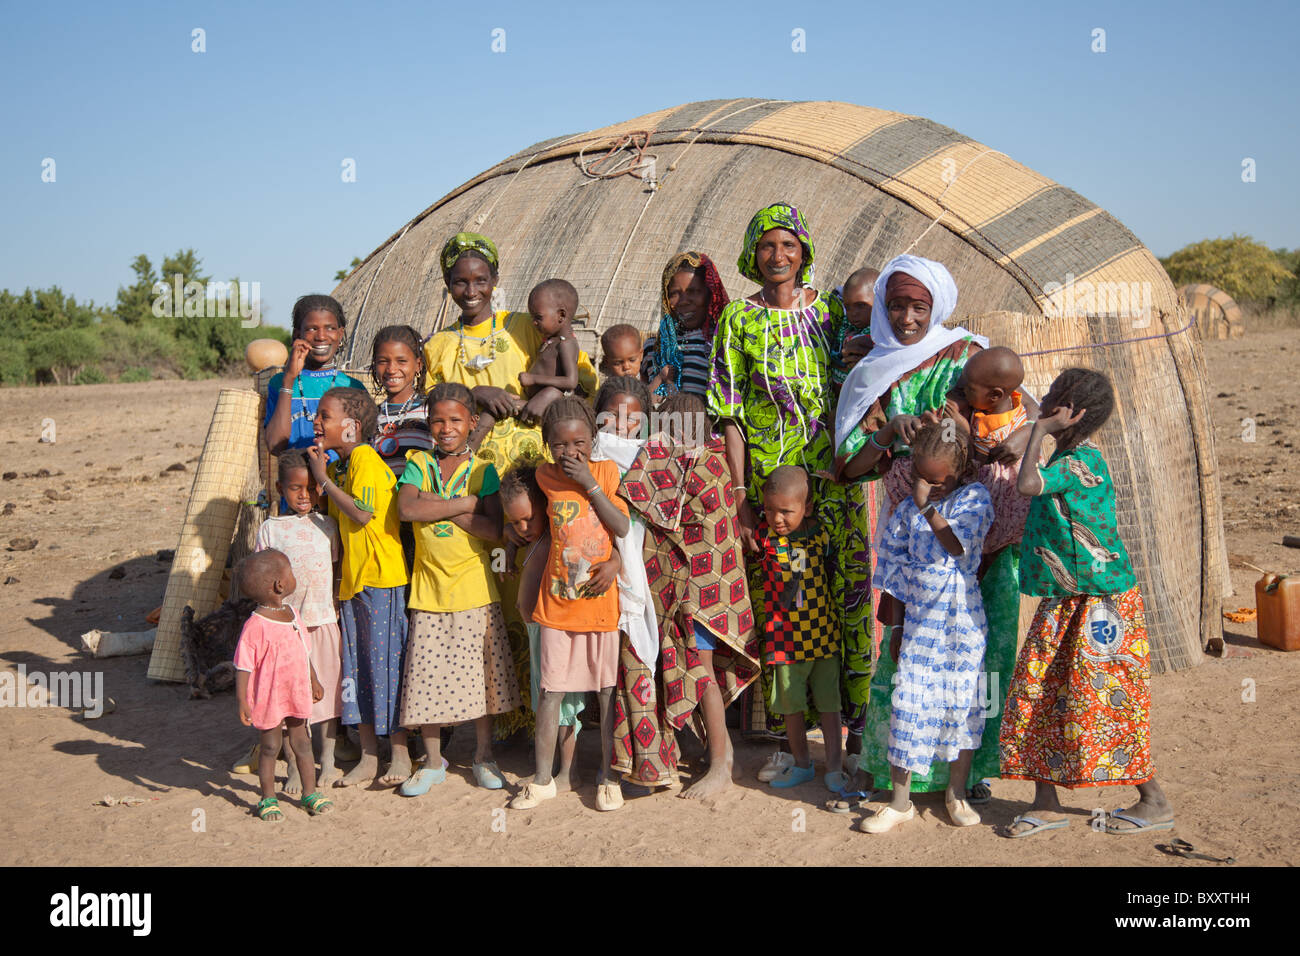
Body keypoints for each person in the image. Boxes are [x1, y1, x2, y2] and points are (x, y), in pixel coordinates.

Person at [833, 254, 1002, 803]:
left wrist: (956, 430)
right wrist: (889, 435)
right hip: (907, 520)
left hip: (971, 523)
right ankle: (892, 771)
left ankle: (967, 774)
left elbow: (1006, 428)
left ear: (938, 306)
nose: (907, 317)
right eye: (896, 305)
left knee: (972, 650)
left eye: (919, 306)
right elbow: (848, 466)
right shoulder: (872, 370)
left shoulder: (966, 357)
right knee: (902, 648)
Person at [422, 232, 599, 739]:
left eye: (481, 280)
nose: (471, 290)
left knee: (538, 578)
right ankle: (503, 720)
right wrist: (477, 391)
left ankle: (548, 715)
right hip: (480, 479)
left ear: (496, 282)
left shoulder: (525, 325)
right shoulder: (438, 346)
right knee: (494, 588)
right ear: (448, 286)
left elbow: (580, 377)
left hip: (532, 475)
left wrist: (542, 392)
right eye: (460, 281)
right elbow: (434, 407)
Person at [1000, 368, 1173, 838]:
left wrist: (1038, 429)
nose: (1047, 402)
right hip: (1068, 600)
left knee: (1104, 704)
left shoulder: (1081, 464)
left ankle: (1153, 800)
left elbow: (1028, 486)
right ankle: (1046, 801)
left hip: (1102, 607)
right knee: (1036, 695)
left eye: (1056, 398)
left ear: (1073, 414)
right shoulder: (1072, 456)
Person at [706, 201, 845, 760]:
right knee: (776, 598)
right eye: (767, 245)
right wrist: (741, 497)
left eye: (789, 245)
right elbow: (730, 411)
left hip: (830, 481)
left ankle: (843, 728)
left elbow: (853, 387)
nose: (778, 255)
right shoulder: (738, 319)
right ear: (752, 254)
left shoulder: (830, 312)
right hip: (768, 487)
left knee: (833, 590)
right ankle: (781, 733)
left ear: (805, 251)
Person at [615, 392, 761, 800]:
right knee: (696, 671)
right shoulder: (709, 460)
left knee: (702, 674)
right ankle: (712, 751)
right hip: (705, 593)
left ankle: (722, 763)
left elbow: (645, 499)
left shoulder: (697, 467)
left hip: (702, 597)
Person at [858, 422, 994, 833]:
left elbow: (958, 548)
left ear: (958, 472)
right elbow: (894, 575)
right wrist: (895, 630)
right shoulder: (903, 512)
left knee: (965, 703)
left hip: (962, 624)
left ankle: (957, 793)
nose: (926, 485)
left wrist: (927, 508)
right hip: (919, 625)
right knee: (909, 703)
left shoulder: (975, 499)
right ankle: (900, 802)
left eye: (936, 480)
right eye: (921, 477)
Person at [394, 383, 520, 795]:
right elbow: (408, 508)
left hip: (474, 591)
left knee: (479, 680)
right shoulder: (417, 463)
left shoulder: (482, 471)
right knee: (427, 680)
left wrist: (445, 506)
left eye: (455, 420)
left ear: (470, 423)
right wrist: (464, 504)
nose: (445, 428)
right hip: (428, 590)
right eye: (437, 420)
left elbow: (494, 530)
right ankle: (432, 762)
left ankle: (483, 756)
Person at [510, 398, 629, 813]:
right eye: (560, 445)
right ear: (546, 446)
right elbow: (531, 524)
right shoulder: (544, 478)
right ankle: (543, 779)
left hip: (599, 607)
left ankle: (608, 776)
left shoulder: (607, 473)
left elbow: (622, 526)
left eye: (580, 443)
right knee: (551, 693)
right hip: (557, 607)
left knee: (608, 695)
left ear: (594, 441)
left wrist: (614, 561)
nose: (570, 452)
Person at [306, 387, 410, 788]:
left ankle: (398, 752)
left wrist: (322, 480)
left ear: (351, 427)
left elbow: (363, 515)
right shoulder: (342, 467)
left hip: (381, 580)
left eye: (325, 416)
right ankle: (369, 756)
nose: (317, 422)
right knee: (358, 667)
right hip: (354, 582)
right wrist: (324, 478)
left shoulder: (365, 460)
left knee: (386, 665)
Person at [253, 452, 344, 789]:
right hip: (288, 630)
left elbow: (335, 570)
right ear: (280, 489)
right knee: (291, 699)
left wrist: (335, 604)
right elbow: (260, 581)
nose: (304, 495)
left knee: (329, 697)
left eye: (310, 488)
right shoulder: (271, 530)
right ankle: (293, 765)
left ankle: (329, 761)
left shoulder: (328, 524)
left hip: (324, 621)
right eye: (295, 489)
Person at [754, 466, 843, 791]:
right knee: (792, 708)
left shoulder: (819, 534)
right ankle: (803, 764)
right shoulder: (764, 540)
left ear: (806, 509)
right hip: (785, 642)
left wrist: (832, 479)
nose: (777, 518)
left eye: (786, 511)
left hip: (823, 637)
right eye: (769, 510)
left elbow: (839, 513)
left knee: (829, 706)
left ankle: (834, 766)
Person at [499, 464, 585, 791]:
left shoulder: (553, 538)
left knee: (564, 707)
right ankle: (549, 769)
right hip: (537, 634)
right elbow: (509, 535)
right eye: (514, 522)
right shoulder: (531, 538)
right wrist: (509, 544)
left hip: (555, 634)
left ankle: (568, 772)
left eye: (527, 519)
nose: (522, 527)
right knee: (546, 704)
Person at [233, 549, 334, 820]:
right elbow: (243, 665)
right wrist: (243, 700)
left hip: (296, 692)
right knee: (269, 747)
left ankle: (309, 793)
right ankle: (267, 798)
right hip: (269, 698)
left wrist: (313, 679)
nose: (293, 577)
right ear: (279, 584)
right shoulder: (255, 625)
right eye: (289, 572)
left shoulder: (292, 614)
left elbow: (304, 650)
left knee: (302, 744)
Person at [264, 295, 366, 457]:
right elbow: (275, 446)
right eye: (312, 328)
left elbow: (358, 449)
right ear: (298, 334)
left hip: (339, 481)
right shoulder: (281, 383)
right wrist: (289, 380)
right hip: (295, 481)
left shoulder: (352, 387)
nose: (321, 336)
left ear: (340, 334)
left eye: (330, 328)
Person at [652, 252, 730, 398]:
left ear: (710, 294)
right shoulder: (655, 346)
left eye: (693, 292)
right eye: (674, 293)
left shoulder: (722, 344)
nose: (684, 301)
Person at [370, 324, 431, 476]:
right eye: (383, 361)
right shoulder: (370, 417)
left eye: (401, 361)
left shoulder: (430, 411)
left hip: (420, 498)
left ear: (418, 365)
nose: (391, 369)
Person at [518, 279, 581, 407]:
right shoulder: (552, 340)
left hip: (547, 406)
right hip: (535, 403)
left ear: (561, 315)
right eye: (532, 317)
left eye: (538, 317)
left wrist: (533, 379)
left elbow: (571, 381)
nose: (533, 322)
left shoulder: (566, 344)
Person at [831, 267, 880, 391]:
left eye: (861, 305)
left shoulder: (880, 335)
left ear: (879, 301)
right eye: (848, 307)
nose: (853, 313)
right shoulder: (844, 324)